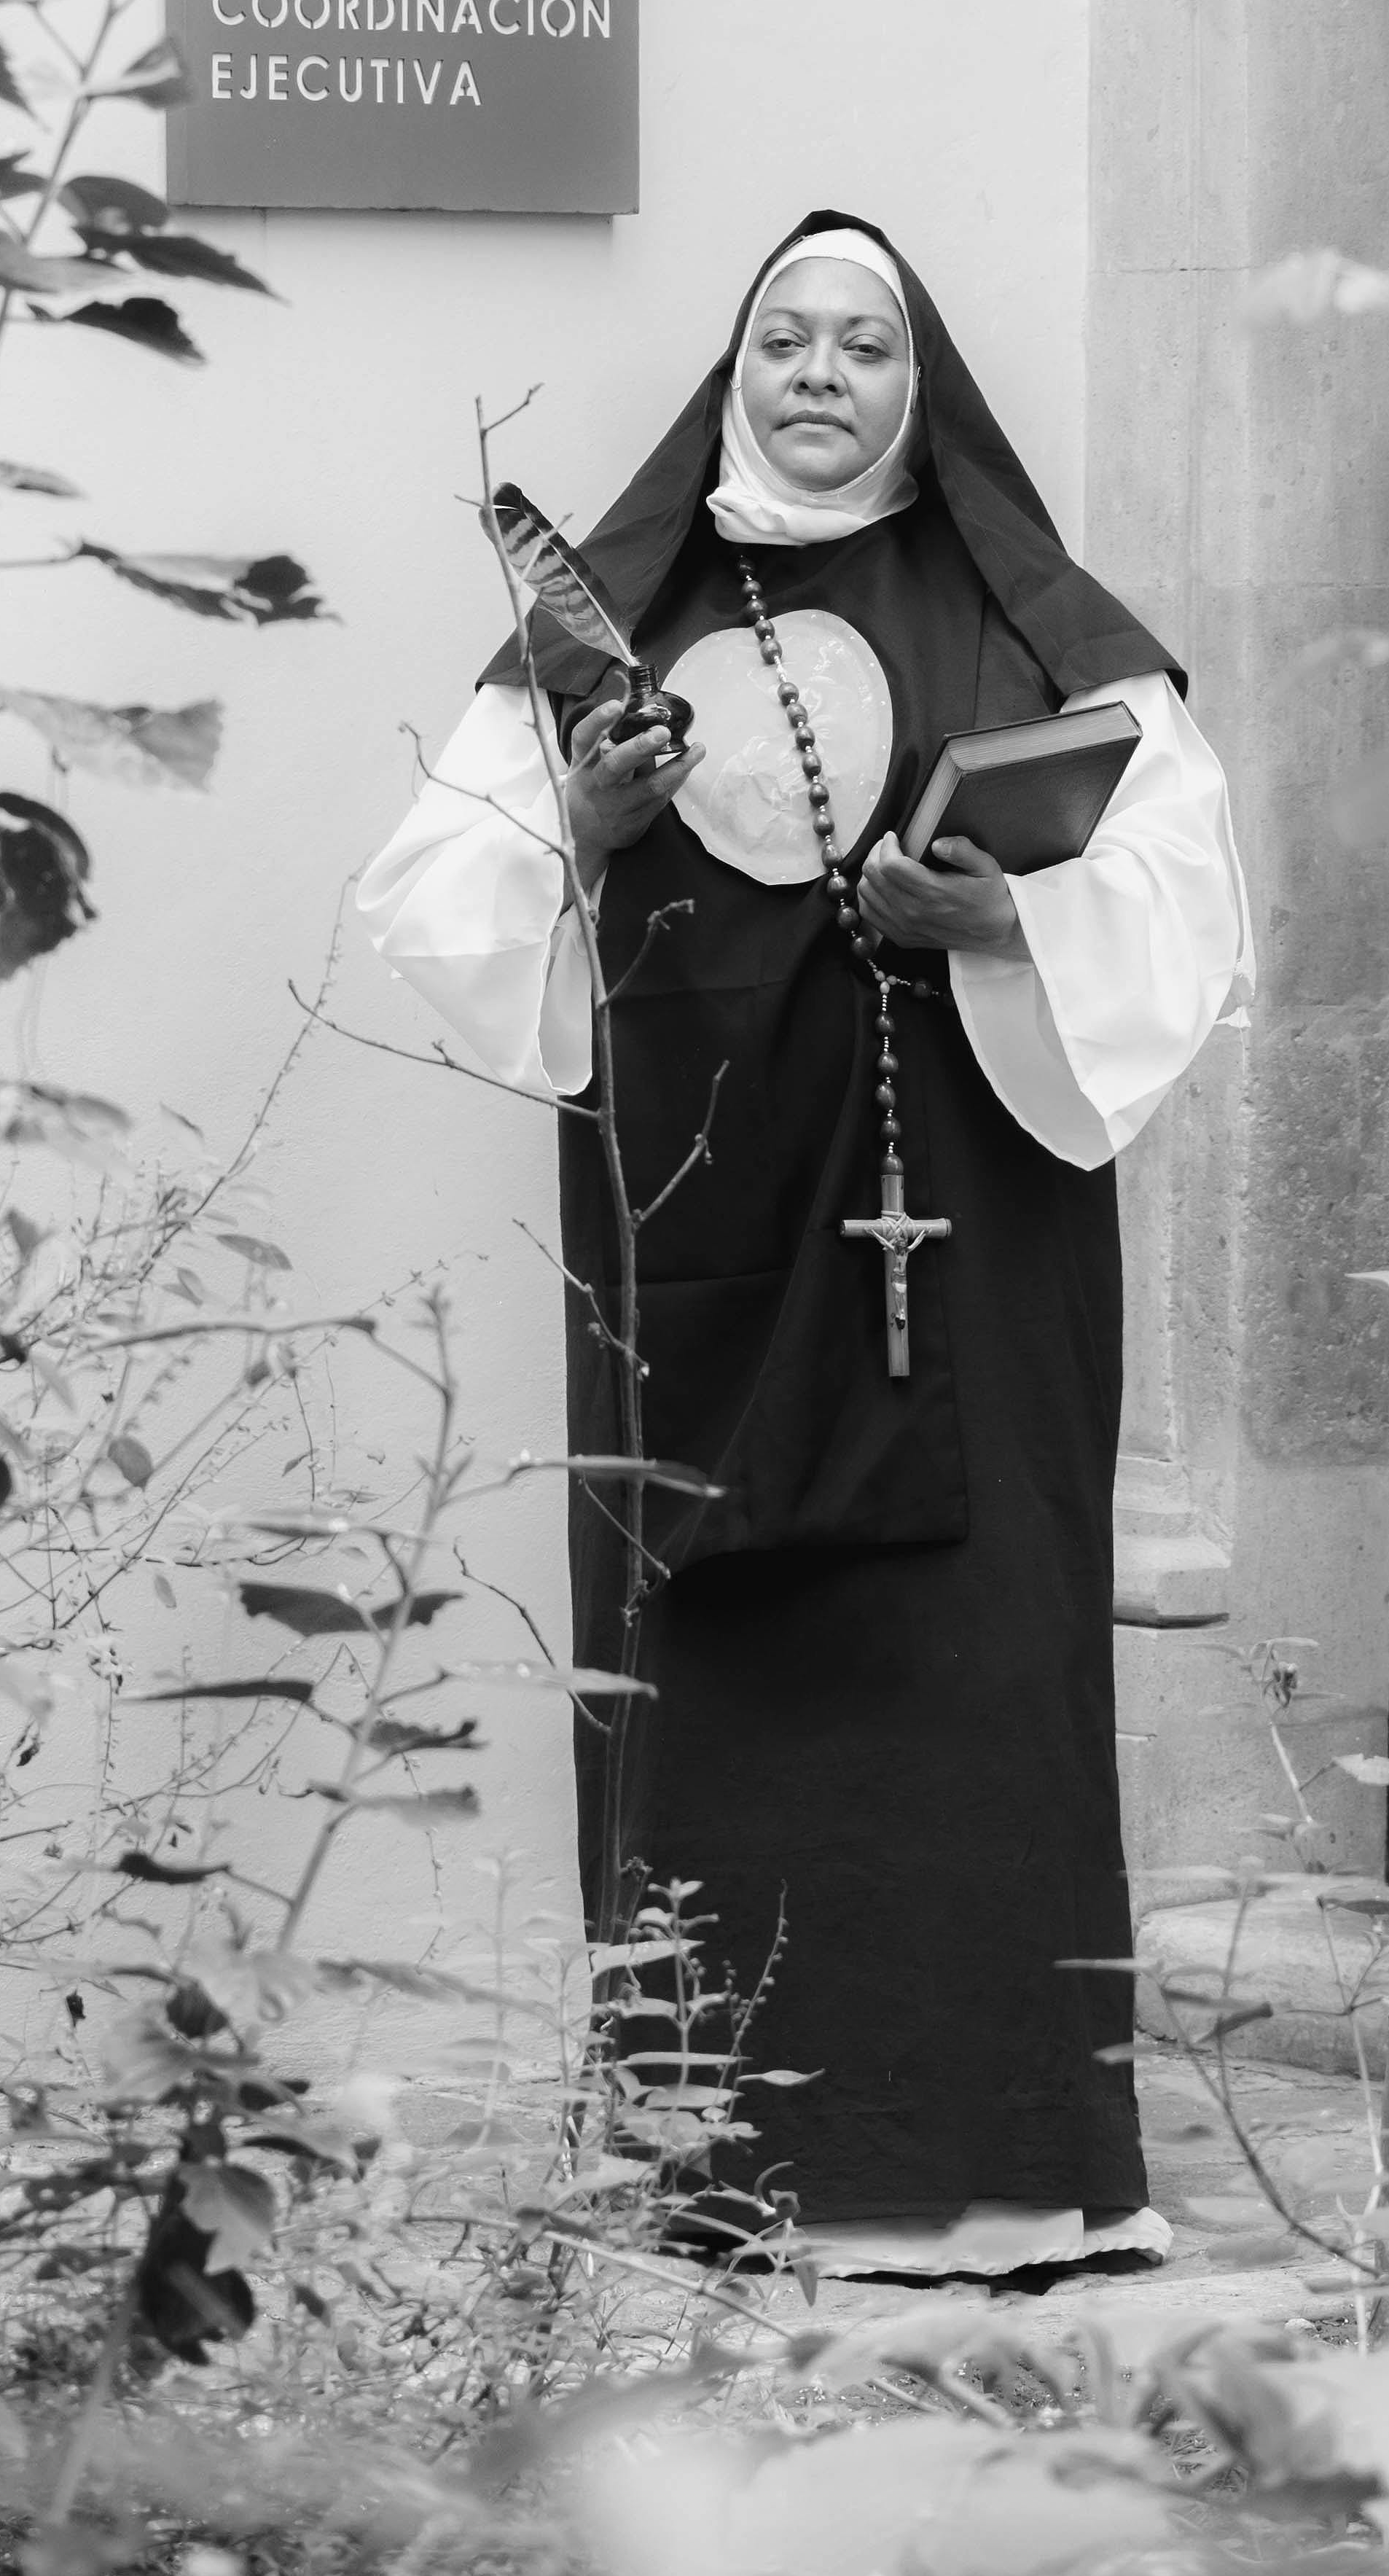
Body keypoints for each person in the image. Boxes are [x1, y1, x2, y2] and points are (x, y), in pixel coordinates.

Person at [359, 211, 1251, 2279]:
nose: (821, 373)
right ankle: (720, 2161)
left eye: (866, 343)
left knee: (984, 1676)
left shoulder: (1034, 619)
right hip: (714, 1255)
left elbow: (1192, 891)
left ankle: (1015, 2163)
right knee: (722, 1684)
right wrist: (576, 827)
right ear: (735, 371)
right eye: (786, 341)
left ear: (922, 382)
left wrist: (1008, 920)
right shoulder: (627, 619)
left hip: (987, 1254)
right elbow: (436, 900)